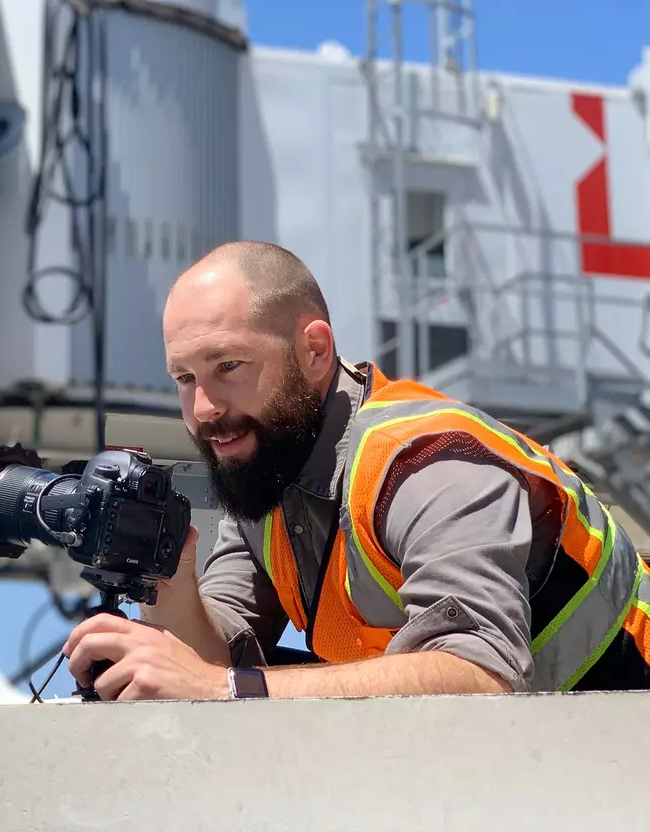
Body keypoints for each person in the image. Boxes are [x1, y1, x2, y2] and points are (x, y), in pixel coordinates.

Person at [64, 240, 650, 700]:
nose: (204, 410)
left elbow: (481, 675)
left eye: (229, 366)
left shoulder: (427, 462)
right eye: (185, 379)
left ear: (315, 351)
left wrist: (220, 688)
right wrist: (166, 580)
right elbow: (213, 668)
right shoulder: (267, 467)